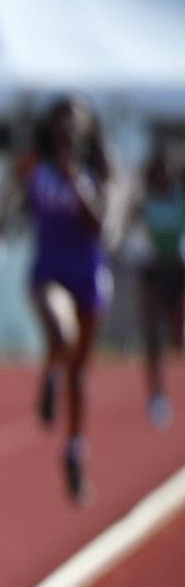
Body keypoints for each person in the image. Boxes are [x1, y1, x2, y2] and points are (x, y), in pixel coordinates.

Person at [0, 95, 114, 500]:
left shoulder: (98, 168)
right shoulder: (33, 164)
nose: (68, 128)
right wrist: (0, 225)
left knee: (80, 372)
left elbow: (102, 225)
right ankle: (49, 376)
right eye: (61, 120)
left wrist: (77, 182)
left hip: (88, 272)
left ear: (86, 128)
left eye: (75, 122)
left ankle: (75, 449)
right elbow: (8, 194)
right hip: (49, 268)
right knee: (60, 335)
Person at [131, 141, 185, 429]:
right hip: (152, 273)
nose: (164, 174)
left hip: (178, 274)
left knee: (178, 338)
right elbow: (133, 237)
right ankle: (156, 394)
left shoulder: (181, 199)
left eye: (169, 169)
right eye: (159, 170)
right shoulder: (143, 203)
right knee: (152, 338)